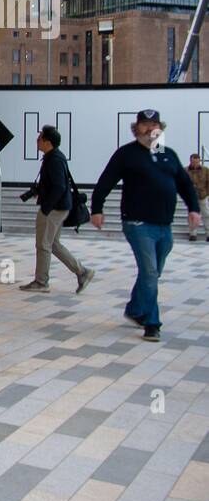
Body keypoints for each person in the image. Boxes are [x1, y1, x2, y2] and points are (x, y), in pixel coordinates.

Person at [90, 109, 203, 342]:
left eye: (154, 124)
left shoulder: (166, 154)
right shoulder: (127, 154)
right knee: (150, 272)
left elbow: (184, 184)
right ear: (136, 128)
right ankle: (152, 323)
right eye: (144, 124)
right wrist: (97, 209)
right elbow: (105, 181)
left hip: (164, 225)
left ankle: (134, 308)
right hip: (138, 223)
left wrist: (194, 208)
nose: (149, 129)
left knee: (153, 272)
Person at [18, 125, 95, 294]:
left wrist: (46, 207)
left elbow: (59, 186)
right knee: (53, 244)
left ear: (47, 142)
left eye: (39, 139)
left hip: (54, 209)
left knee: (43, 244)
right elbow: (54, 184)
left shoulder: (54, 160)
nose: (37, 142)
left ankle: (41, 282)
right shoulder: (53, 157)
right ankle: (82, 272)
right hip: (59, 207)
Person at [187, 154, 208, 241]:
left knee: (206, 214)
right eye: (193, 162)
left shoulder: (205, 170)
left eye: (197, 162)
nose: (195, 164)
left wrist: (206, 193)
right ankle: (193, 233)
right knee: (192, 215)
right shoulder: (185, 171)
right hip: (191, 196)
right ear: (190, 161)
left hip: (202, 195)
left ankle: (208, 233)